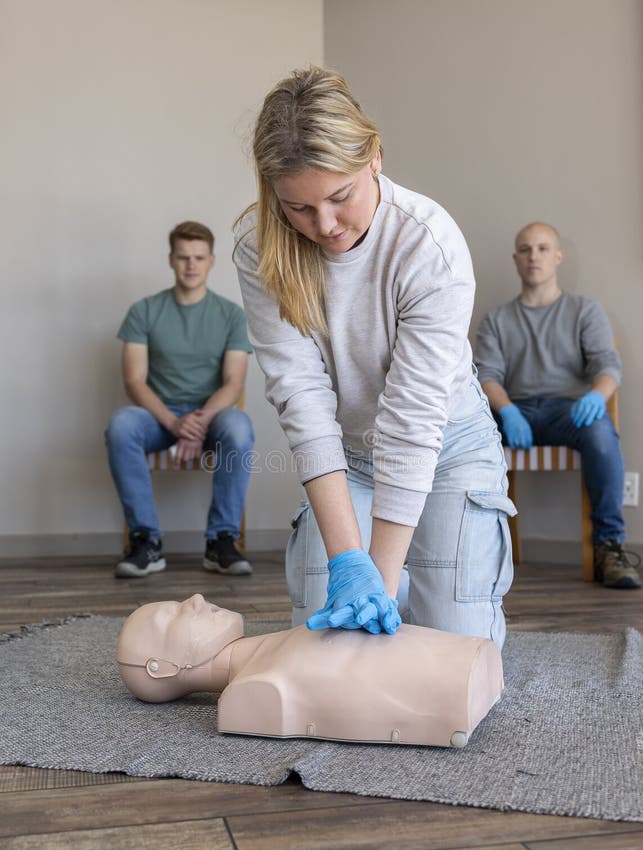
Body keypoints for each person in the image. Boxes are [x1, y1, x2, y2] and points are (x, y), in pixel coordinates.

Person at [233, 66, 515, 646]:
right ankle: (398, 577)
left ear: (375, 157)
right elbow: (301, 400)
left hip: (447, 447)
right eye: (298, 208)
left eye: (340, 197)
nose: (325, 226)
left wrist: (378, 586)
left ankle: (413, 583)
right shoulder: (258, 250)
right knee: (327, 644)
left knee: (453, 649)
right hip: (347, 458)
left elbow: (413, 421)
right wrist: (348, 564)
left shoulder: (428, 243)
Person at [474, 221, 641, 589]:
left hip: (568, 412)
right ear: (516, 259)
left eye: (543, 248)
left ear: (558, 257)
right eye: (525, 249)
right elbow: (486, 375)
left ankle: (609, 548)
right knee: (464, 434)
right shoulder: (496, 321)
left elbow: (608, 366)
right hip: (512, 411)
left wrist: (596, 396)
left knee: (601, 434)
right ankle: (474, 548)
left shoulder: (584, 311)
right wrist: (507, 411)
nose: (533, 256)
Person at [116, 594, 504, 748]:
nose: (196, 599)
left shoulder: (272, 652)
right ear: (160, 668)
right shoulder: (255, 687)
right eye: (173, 615)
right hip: (458, 683)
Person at [105, 220, 255, 578]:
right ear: (171, 259)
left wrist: (199, 421)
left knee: (239, 426)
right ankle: (146, 541)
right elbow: (134, 382)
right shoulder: (144, 311)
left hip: (212, 416)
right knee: (121, 425)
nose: (191, 265)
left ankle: (221, 541)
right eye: (184, 257)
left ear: (211, 261)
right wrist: (174, 423)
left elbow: (233, 383)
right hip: (159, 418)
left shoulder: (231, 315)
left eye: (199, 257)